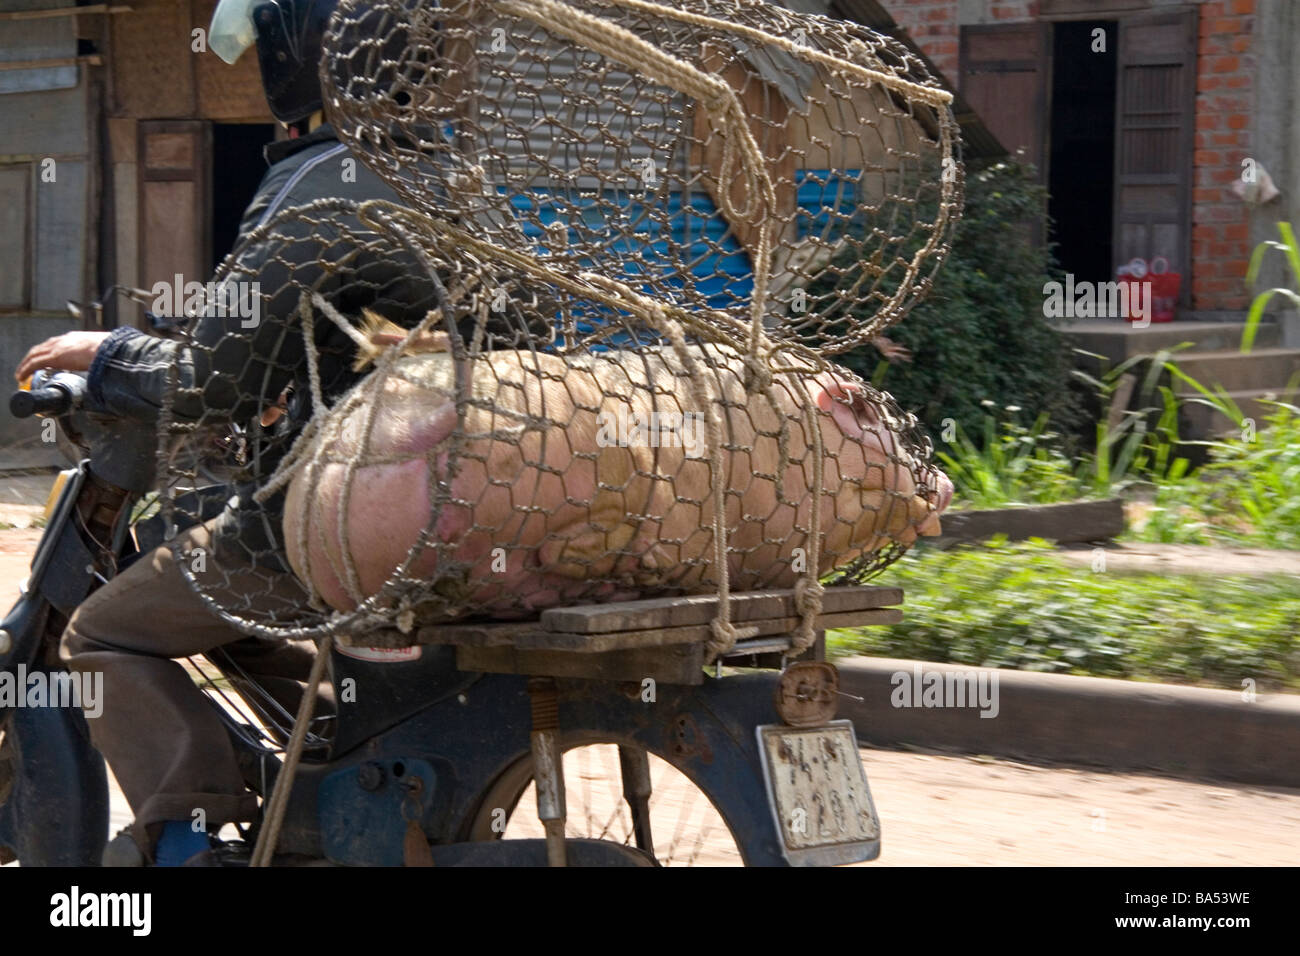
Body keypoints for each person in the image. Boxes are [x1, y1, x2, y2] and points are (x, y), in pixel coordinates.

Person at [13, 0, 439, 866]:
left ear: (292, 53)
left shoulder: (319, 180)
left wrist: (108, 359)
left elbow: (213, 389)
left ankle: (182, 847)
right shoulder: (445, 175)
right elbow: (303, 337)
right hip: (473, 504)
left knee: (104, 632)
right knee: (205, 576)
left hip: (344, 515)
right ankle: (315, 765)